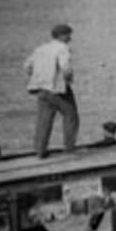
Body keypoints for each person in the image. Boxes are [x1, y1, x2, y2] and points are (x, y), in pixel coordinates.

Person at [24, 23, 78, 158]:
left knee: (44, 120)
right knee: (71, 115)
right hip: (57, 89)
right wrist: (68, 80)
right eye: (68, 35)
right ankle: (69, 148)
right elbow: (66, 68)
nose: (70, 38)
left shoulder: (40, 48)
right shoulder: (62, 48)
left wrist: (38, 76)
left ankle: (40, 151)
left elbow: (27, 66)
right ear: (62, 36)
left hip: (41, 89)